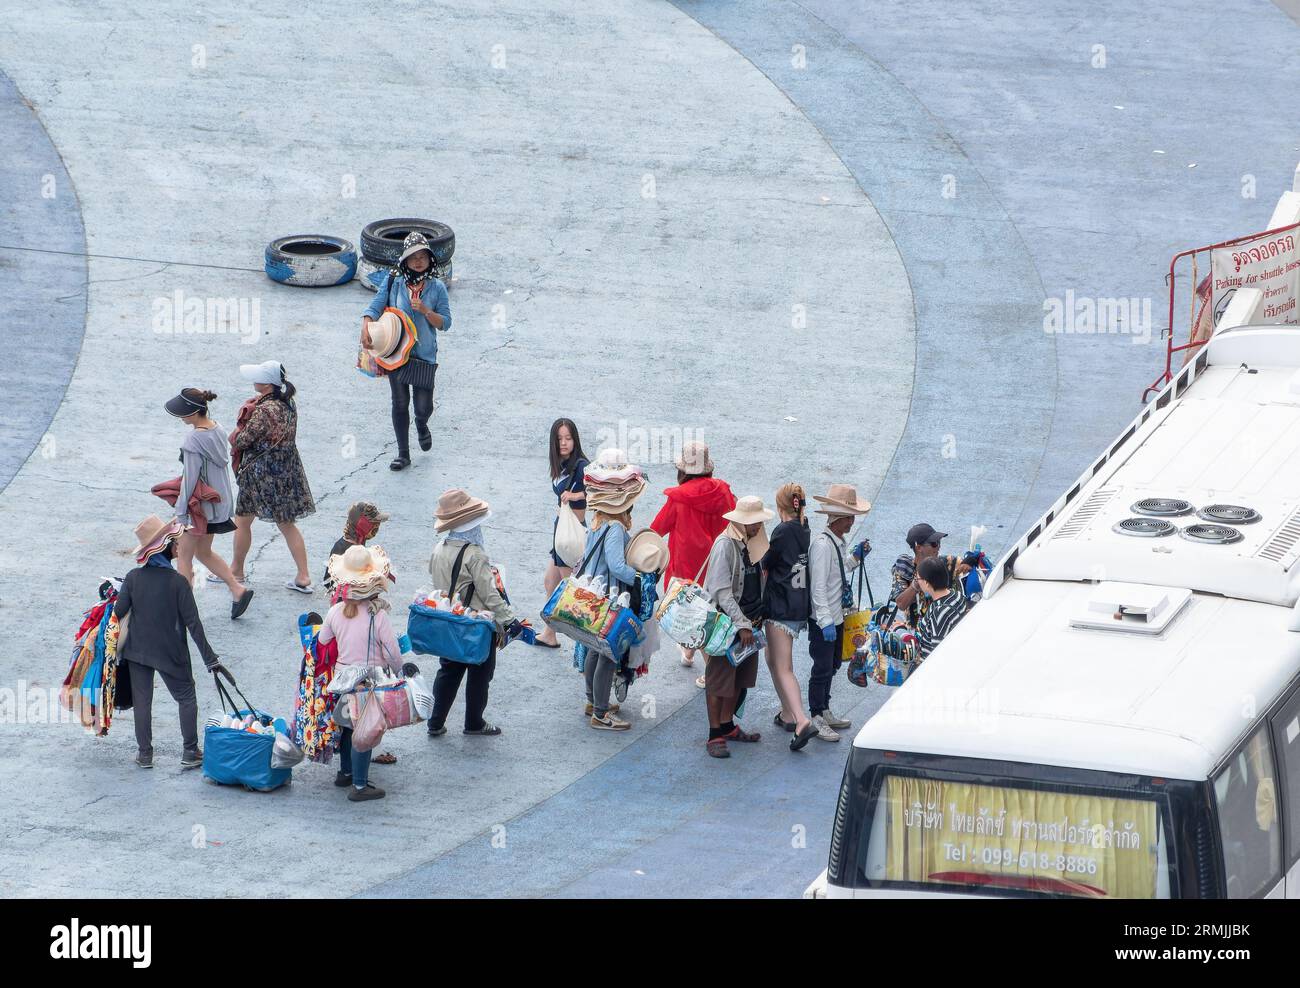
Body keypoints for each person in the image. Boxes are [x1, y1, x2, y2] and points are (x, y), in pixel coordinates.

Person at [114, 514, 232, 769]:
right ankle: (190, 751)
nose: (178, 546)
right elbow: (194, 625)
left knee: (142, 702)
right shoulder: (178, 583)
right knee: (186, 697)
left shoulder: (133, 578)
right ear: (165, 547)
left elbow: (118, 611)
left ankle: (145, 754)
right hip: (171, 652)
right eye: (174, 542)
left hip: (137, 652)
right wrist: (210, 660)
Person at [426, 488, 520, 737]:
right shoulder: (475, 555)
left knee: (448, 672)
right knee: (480, 674)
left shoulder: (439, 548)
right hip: (476, 624)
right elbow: (490, 595)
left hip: (449, 620)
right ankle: (474, 722)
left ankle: (435, 721)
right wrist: (510, 620)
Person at [360, 232, 452, 471]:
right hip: (396, 352)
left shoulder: (437, 288)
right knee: (399, 403)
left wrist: (425, 311)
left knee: (423, 407)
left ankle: (422, 424)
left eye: (423, 256)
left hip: (424, 355)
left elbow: (446, 323)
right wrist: (365, 326)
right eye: (413, 257)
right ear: (405, 261)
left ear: (430, 259)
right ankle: (403, 454)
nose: (418, 261)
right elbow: (375, 305)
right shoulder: (394, 282)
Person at [320, 544, 403, 802]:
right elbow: (392, 653)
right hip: (368, 682)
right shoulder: (377, 616)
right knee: (365, 731)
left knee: (347, 727)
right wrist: (400, 672)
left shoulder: (334, 612)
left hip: (342, 678)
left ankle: (345, 771)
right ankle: (359, 785)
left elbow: (323, 641)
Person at [164, 388, 253, 619]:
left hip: (198, 507)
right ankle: (237, 589)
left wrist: (181, 512)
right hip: (218, 503)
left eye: (183, 413)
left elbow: (190, 479)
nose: (181, 417)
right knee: (203, 552)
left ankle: (183, 610)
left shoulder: (193, 439)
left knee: (184, 555)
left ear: (193, 412)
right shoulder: (217, 428)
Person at [649, 440, 736, 678]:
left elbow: (656, 530)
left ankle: (713, 673)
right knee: (711, 613)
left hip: (687, 570)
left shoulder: (679, 498)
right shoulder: (724, 491)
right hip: (718, 564)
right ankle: (688, 653)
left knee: (693, 616)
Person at [229, 361, 316, 593]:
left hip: (259, 474)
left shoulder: (263, 411)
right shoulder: (288, 404)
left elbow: (241, 441)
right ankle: (304, 576)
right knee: (287, 524)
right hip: (287, 470)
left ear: (267, 384)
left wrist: (240, 425)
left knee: (243, 520)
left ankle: (236, 571)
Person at [578, 452, 648, 731]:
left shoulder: (596, 521)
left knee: (594, 650)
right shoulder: (616, 527)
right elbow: (618, 567)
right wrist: (640, 577)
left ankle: (592, 700)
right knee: (607, 654)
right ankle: (601, 713)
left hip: (592, 594)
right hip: (610, 597)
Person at [701, 495, 773, 758]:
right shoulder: (725, 545)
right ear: (744, 522)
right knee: (719, 681)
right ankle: (713, 734)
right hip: (729, 625)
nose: (759, 527)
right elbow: (721, 591)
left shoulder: (749, 542)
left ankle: (728, 726)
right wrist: (742, 624)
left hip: (750, 623)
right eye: (755, 523)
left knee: (740, 680)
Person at [807, 484, 872, 742]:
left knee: (831, 665)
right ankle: (816, 715)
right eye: (849, 516)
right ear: (839, 518)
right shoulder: (822, 546)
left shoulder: (836, 543)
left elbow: (839, 573)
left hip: (836, 617)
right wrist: (824, 621)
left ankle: (824, 709)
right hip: (826, 619)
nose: (852, 521)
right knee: (821, 668)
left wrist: (856, 558)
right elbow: (818, 587)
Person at [761, 484, 818, 751]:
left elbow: (766, 562)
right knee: (772, 658)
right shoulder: (805, 527)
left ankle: (800, 719)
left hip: (780, 605)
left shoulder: (782, 531)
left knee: (784, 667)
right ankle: (787, 713)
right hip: (798, 604)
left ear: (780, 505)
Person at [536, 418, 589, 648]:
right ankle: (549, 633)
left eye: (568, 438)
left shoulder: (581, 465)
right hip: (561, 531)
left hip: (571, 535)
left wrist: (575, 496)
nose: (564, 443)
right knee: (550, 582)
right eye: (560, 439)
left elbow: (595, 492)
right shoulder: (561, 464)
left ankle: (586, 641)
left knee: (571, 590)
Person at [889, 523, 968, 628]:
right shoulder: (906, 567)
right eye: (934, 544)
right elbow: (901, 604)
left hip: (947, 624)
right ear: (919, 548)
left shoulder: (945, 563)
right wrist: (916, 584)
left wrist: (970, 561)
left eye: (939, 542)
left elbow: (965, 564)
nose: (939, 546)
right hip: (918, 633)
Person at [323, 502, 390, 596]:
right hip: (347, 601)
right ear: (363, 525)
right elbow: (328, 581)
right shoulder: (342, 548)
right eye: (374, 524)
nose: (377, 527)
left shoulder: (358, 541)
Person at [914, 557, 969, 660]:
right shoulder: (956, 595)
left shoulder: (939, 614)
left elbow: (938, 657)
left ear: (926, 582)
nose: (917, 582)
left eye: (918, 579)